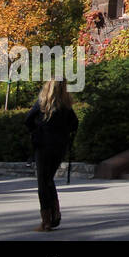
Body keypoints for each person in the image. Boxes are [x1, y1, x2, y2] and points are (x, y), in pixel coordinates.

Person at [25, 78, 78, 232]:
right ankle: (55, 213)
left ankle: (46, 220)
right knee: (49, 179)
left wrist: (36, 131)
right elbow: (74, 124)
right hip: (59, 146)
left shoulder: (42, 104)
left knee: (43, 181)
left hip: (43, 146)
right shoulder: (66, 107)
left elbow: (28, 120)